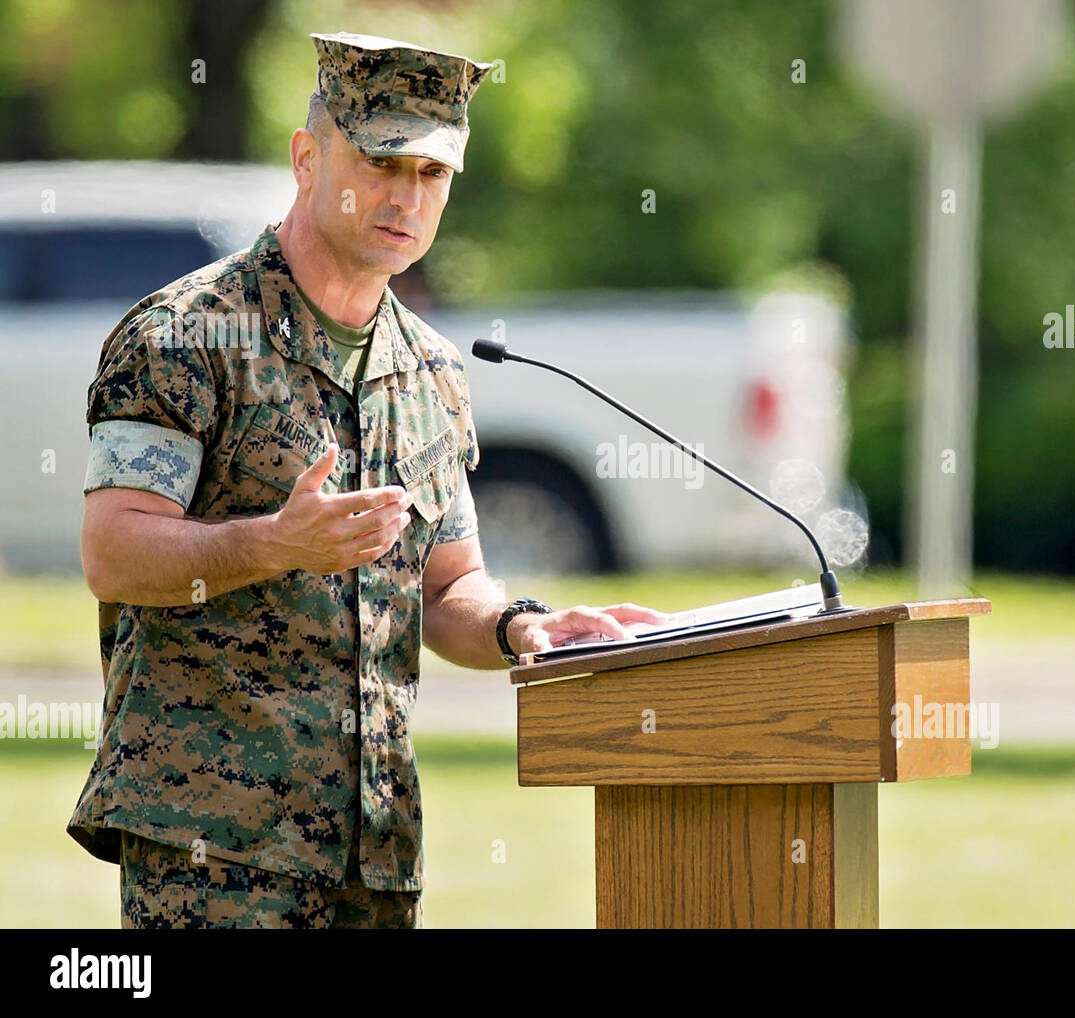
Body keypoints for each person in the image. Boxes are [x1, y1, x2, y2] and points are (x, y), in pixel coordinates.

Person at [69, 30, 665, 929]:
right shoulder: (185, 336)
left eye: (433, 175)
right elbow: (114, 551)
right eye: (382, 160)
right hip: (214, 855)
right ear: (307, 159)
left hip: (374, 857)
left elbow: (449, 583)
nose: (406, 196)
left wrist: (522, 627)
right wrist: (271, 543)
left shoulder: (432, 372)